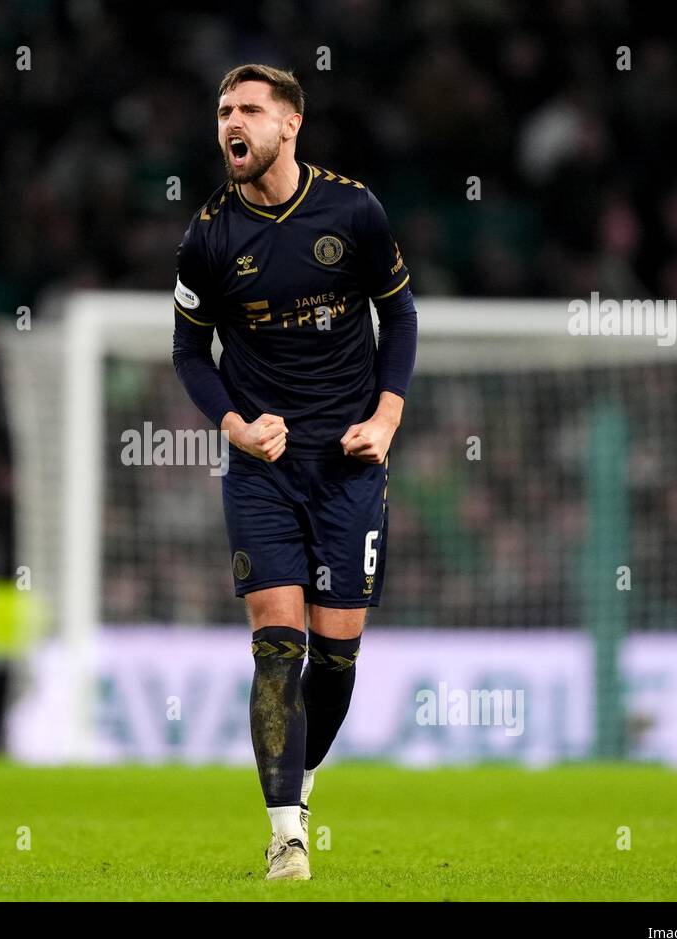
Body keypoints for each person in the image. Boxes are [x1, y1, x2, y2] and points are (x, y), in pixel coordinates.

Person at [171, 64, 418, 880]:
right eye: (221, 112)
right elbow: (189, 350)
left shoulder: (353, 209)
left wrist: (385, 417)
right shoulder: (208, 235)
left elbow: (400, 312)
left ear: (289, 125)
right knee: (276, 645)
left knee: (336, 657)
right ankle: (286, 834)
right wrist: (235, 425)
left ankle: (299, 779)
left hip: (347, 463)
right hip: (261, 469)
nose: (229, 124)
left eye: (247, 110)